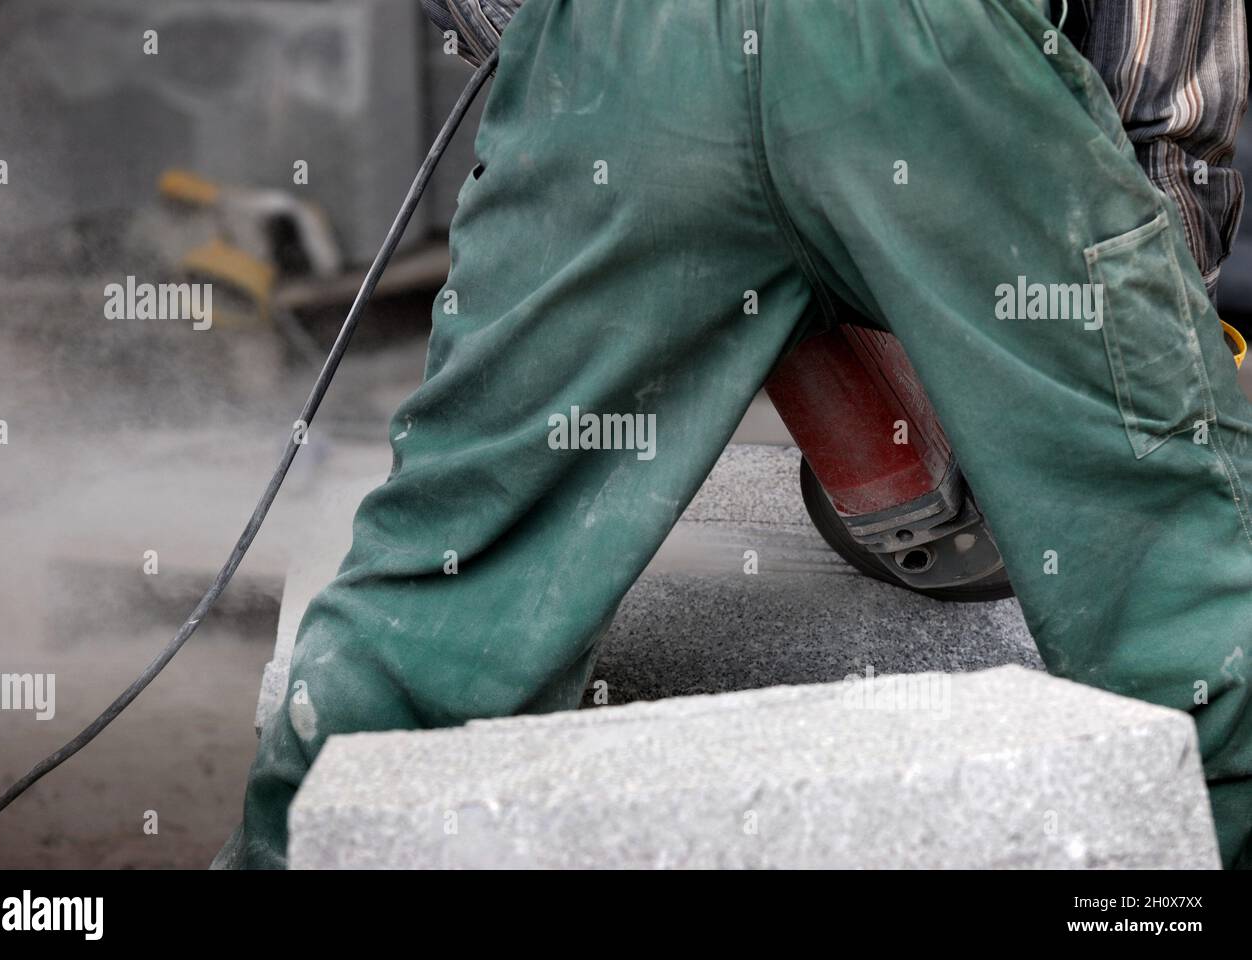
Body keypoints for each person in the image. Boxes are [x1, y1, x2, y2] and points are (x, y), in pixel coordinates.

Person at [215, 0, 1250, 869]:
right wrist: (1144, 351)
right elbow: (1164, 80)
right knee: (1187, 603)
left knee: (441, 597)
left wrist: (571, 59)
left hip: (626, 44)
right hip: (923, 42)